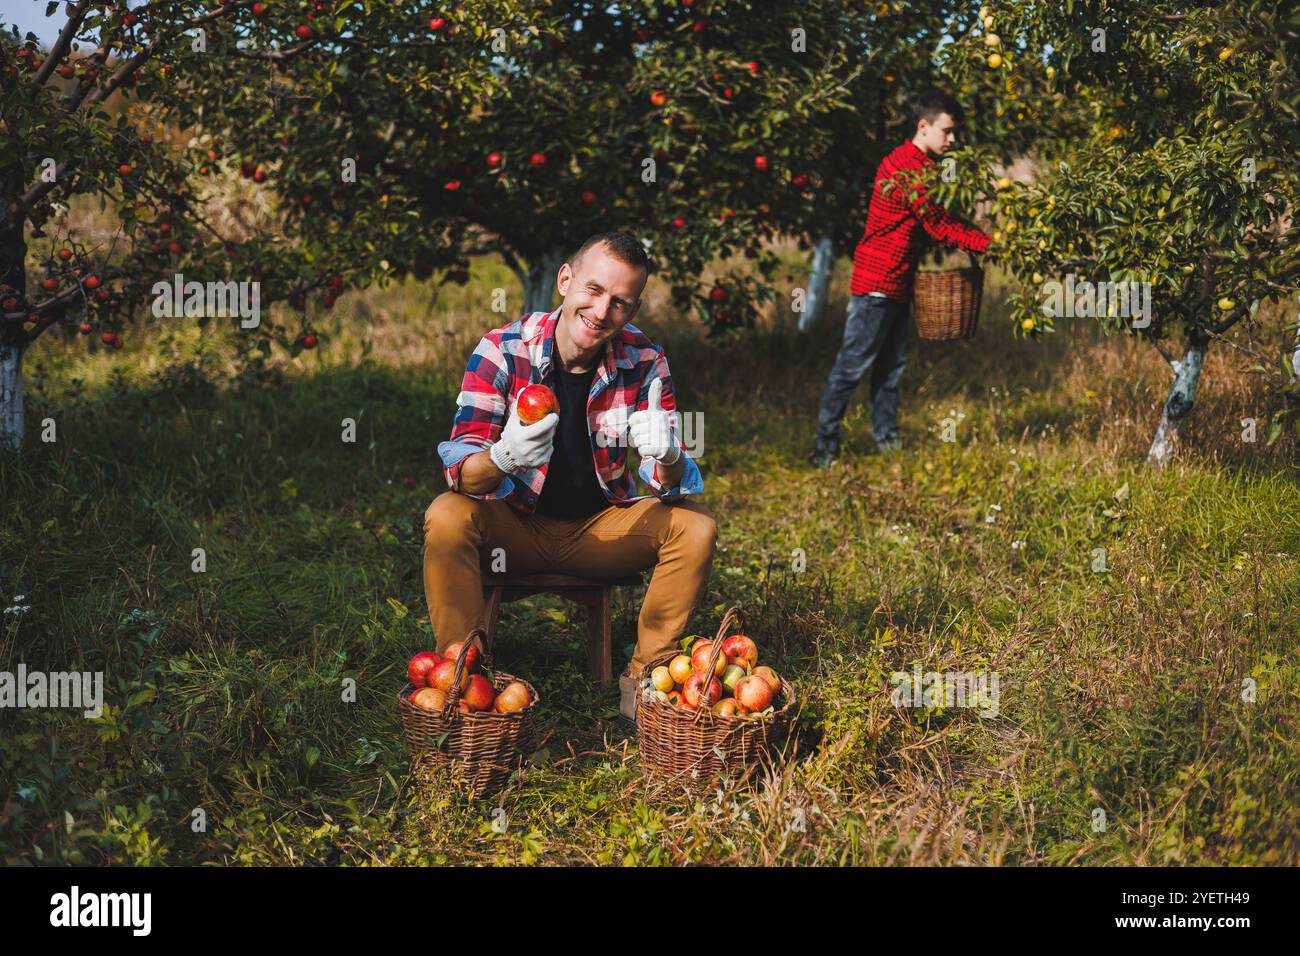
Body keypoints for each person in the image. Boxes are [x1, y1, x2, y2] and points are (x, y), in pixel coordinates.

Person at [423, 232, 716, 724]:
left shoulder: (645, 361)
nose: (603, 312)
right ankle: (463, 680)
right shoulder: (502, 350)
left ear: (634, 307)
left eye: (620, 302)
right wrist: (504, 457)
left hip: (599, 532)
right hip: (512, 526)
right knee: (446, 515)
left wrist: (666, 453)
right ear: (565, 280)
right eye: (594, 290)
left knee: (696, 526)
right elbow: (461, 471)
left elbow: (666, 484)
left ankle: (645, 688)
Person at [811, 89, 991, 467]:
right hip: (876, 285)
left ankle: (887, 440)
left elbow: (941, 217)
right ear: (923, 126)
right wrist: (988, 243)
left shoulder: (925, 166)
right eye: (947, 131)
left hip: (898, 286)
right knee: (850, 369)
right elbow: (938, 223)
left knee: (890, 370)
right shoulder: (904, 166)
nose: (953, 139)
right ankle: (825, 449)